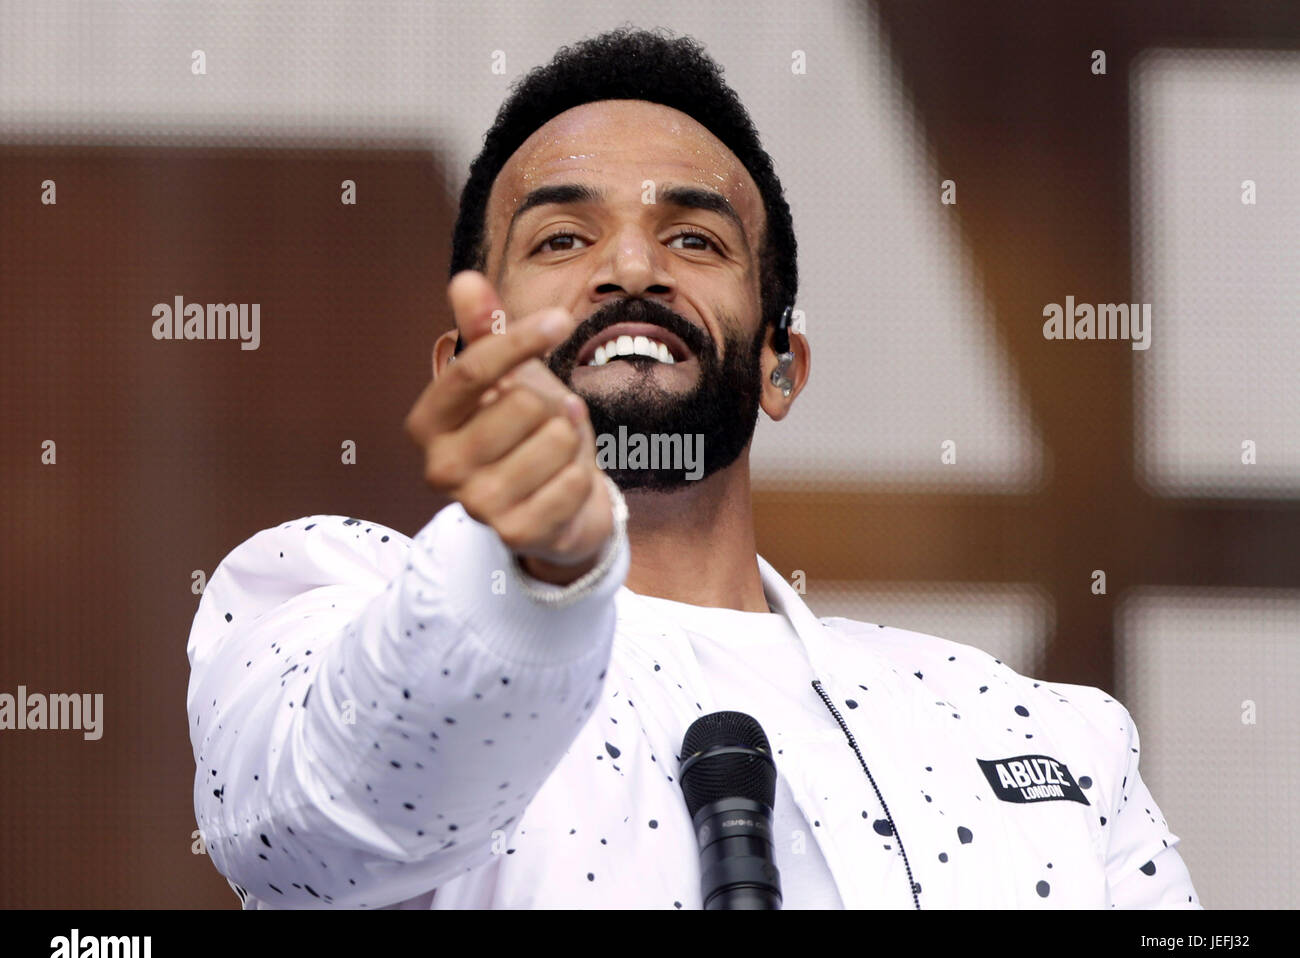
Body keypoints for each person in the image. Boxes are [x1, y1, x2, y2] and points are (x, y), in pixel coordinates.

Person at [187, 26, 1200, 909]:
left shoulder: (1047, 735)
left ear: (780, 366)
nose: (631, 268)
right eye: (562, 236)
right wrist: (535, 568)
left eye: (691, 236)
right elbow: (317, 825)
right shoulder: (319, 604)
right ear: (467, 359)